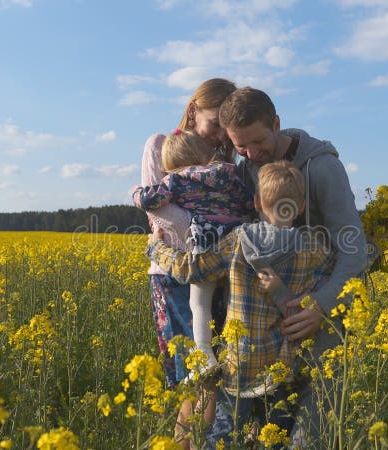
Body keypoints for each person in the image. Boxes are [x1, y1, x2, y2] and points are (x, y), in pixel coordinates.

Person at [147, 160, 334, 449]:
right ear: (299, 207)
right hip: (283, 366)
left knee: (222, 436)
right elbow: (326, 291)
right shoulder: (313, 249)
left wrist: (156, 248)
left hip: (238, 363)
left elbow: (192, 269)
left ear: (256, 202)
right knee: (274, 435)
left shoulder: (239, 240)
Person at [219, 86, 369, 446]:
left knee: (310, 430)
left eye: (258, 142)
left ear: (276, 123)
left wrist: (321, 306)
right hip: (269, 337)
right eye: (241, 147)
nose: (252, 154)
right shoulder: (247, 170)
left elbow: (354, 251)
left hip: (322, 323)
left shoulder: (323, 168)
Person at [137, 78, 237, 446]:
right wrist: (213, 232)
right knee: (197, 380)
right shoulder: (160, 145)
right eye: (215, 125)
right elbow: (160, 212)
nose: (219, 137)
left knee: (220, 378)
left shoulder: (225, 158)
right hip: (173, 274)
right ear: (194, 110)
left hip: (218, 274)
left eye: (226, 130)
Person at [133, 130, 254, 375]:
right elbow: (249, 202)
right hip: (233, 246)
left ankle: (204, 356)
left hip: (205, 249)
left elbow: (151, 201)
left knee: (199, 304)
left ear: (172, 165)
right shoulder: (228, 173)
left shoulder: (177, 179)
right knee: (235, 306)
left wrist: (136, 193)